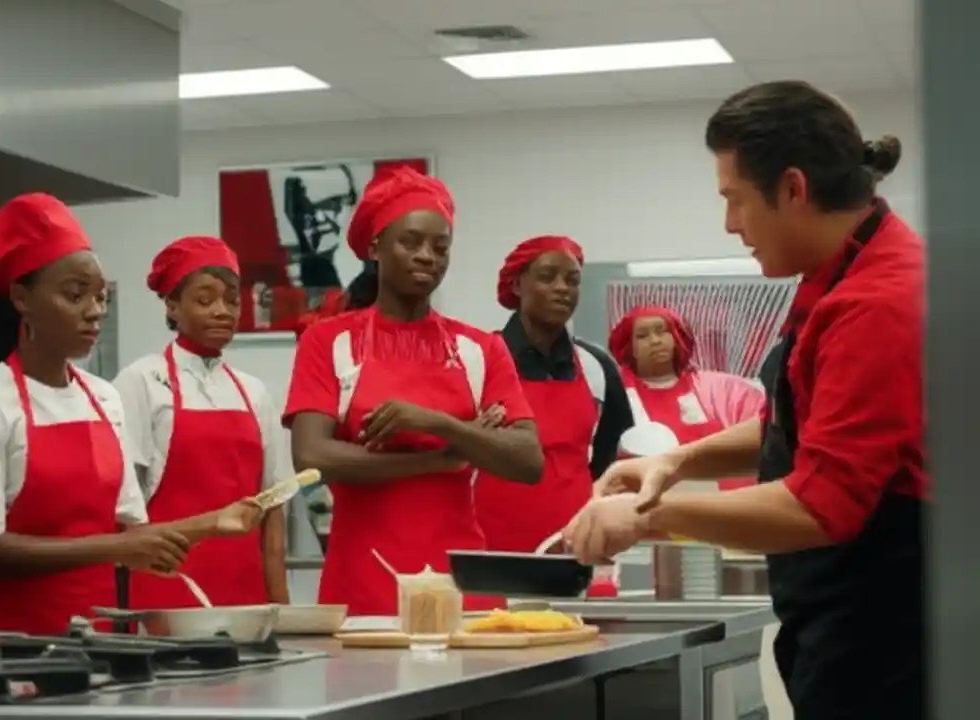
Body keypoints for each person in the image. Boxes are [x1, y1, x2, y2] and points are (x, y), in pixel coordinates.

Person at [566, 81, 925, 720]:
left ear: (792, 188)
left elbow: (821, 508)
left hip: (894, 634)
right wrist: (675, 464)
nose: (730, 224)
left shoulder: (878, 303)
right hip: (847, 624)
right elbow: (799, 422)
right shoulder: (840, 274)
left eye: (734, 200)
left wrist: (649, 518)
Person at [0, 198, 266, 634]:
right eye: (75, 294)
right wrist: (113, 547)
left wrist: (212, 523)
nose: (96, 310)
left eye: (101, 296)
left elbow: (131, 531)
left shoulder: (103, 398)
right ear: (21, 298)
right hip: (9, 642)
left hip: (95, 639)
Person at [284, 167, 543, 616]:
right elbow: (311, 457)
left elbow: (527, 460)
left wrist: (433, 422)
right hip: (364, 583)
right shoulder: (328, 342)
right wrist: (440, 458)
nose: (427, 256)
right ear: (375, 247)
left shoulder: (480, 349)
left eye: (441, 248)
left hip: (461, 584)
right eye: (410, 242)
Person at [114, 236, 291, 609]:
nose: (223, 311)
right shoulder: (141, 382)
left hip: (247, 597)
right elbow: (123, 513)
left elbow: (273, 514)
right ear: (173, 305)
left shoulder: (254, 392)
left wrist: (283, 611)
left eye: (231, 299)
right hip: (165, 590)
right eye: (205, 299)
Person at [473, 236, 633, 551]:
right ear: (517, 285)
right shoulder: (477, 360)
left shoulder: (596, 367)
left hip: (573, 547)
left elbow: (607, 459)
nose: (562, 288)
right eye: (547, 277)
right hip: (486, 549)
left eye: (572, 281)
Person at [608, 305, 765, 490]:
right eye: (642, 336)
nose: (655, 341)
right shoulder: (614, 396)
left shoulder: (722, 389)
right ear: (630, 347)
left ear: (676, 338)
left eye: (662, 331)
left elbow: (763, 431)